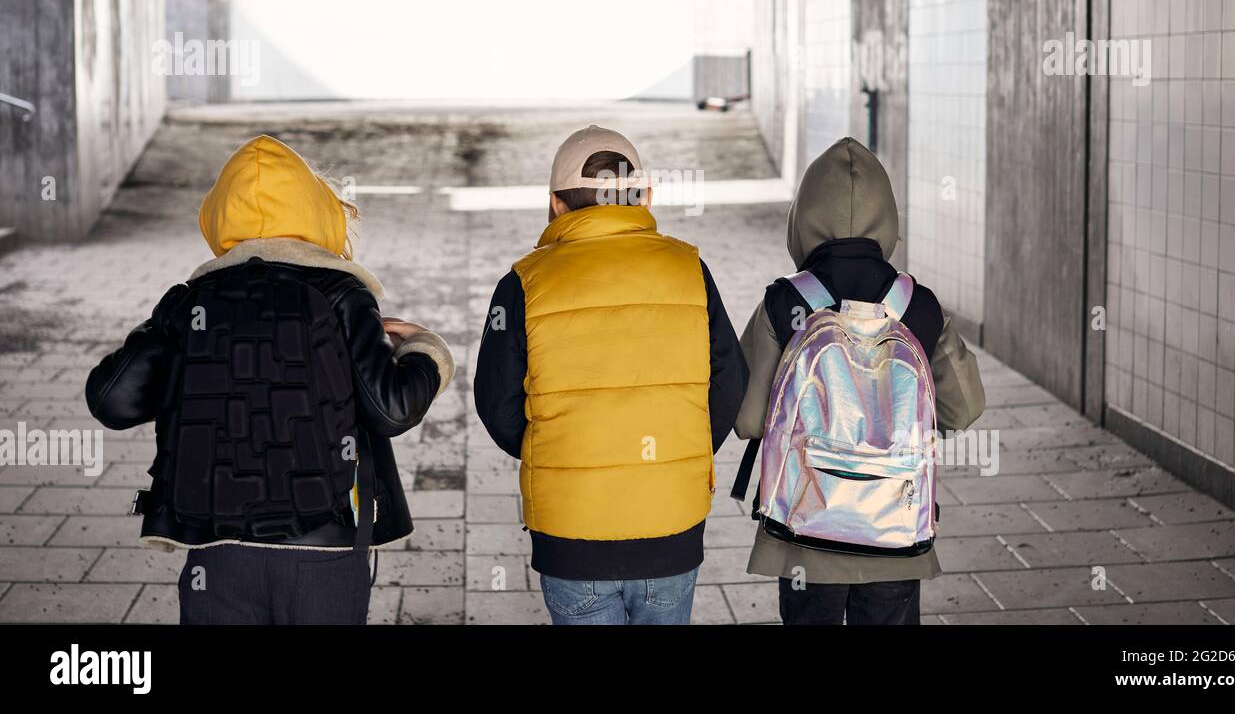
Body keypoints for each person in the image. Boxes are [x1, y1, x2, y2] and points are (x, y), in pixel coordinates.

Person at [85, 134, 453, 624]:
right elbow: (392, 408)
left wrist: (166, 324)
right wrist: (426, 349)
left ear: (218, 218)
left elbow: (113, 401)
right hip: (327, 550)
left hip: (217, 552)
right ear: (320, 213)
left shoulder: (191, 302)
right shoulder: (343, 294)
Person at [475, 125, 747, 625]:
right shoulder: (690, 269)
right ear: (645, 196)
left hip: (571, 537)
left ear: (555, 204)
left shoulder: (521, 283)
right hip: (671, 530)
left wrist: (557, 450)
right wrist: (678, 449)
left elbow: (496, 404)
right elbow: (730, 381)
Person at [734, 137, 985, 625]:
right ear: (888, 219)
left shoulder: (785, 302)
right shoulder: (920, 306)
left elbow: (746, 421)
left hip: (807, 530)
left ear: (802, 219)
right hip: (894, 530)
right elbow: (964, 408)